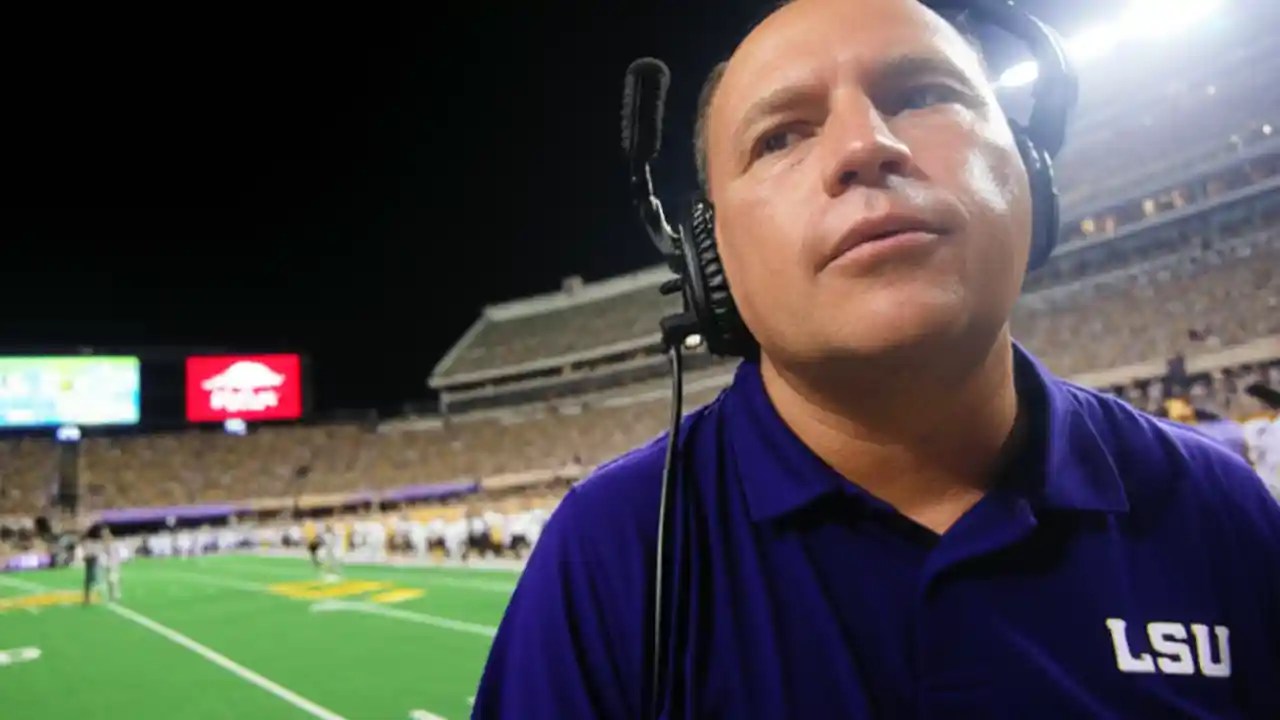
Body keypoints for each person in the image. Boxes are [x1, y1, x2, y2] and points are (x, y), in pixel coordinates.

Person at [473, 0, 1280, 717]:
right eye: (781, 136)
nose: (865, 144)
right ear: (707, 259)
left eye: (924, 95)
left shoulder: (1220, 512)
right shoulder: (613, 549)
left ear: (1029, 174)